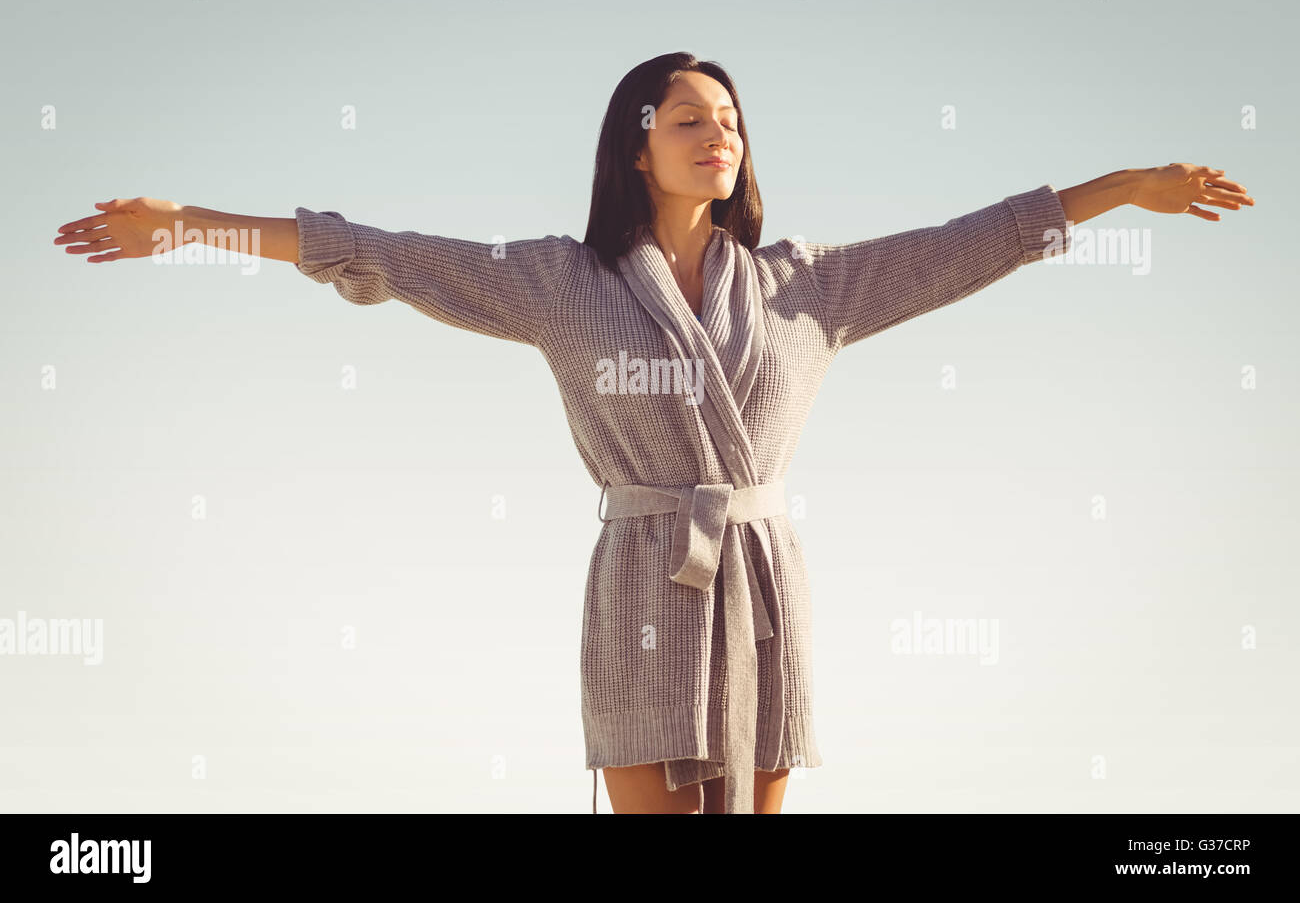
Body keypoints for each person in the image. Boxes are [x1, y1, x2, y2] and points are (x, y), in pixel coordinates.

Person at [52, 51, 1254, 813]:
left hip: (764, 588)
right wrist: (194, 223)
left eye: (728, 117)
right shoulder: (559, 281)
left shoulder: (807, 285)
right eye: (686, 116)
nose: (716, 131)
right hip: (641, 581)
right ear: (636, 146)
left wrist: (1116, 188)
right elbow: (386, 254)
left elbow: (964, 246)